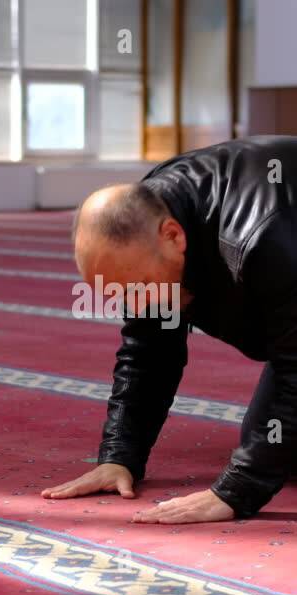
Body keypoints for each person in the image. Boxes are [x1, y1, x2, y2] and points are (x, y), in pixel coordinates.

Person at [42, 135, 297, 525]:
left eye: (138, 289)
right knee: (275, 441)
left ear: (174, 236)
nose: (138, 306)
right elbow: (148, 350)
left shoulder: (261, 238)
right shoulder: (148, 223)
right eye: (118, 293)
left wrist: (236, 491)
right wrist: (119, 456)